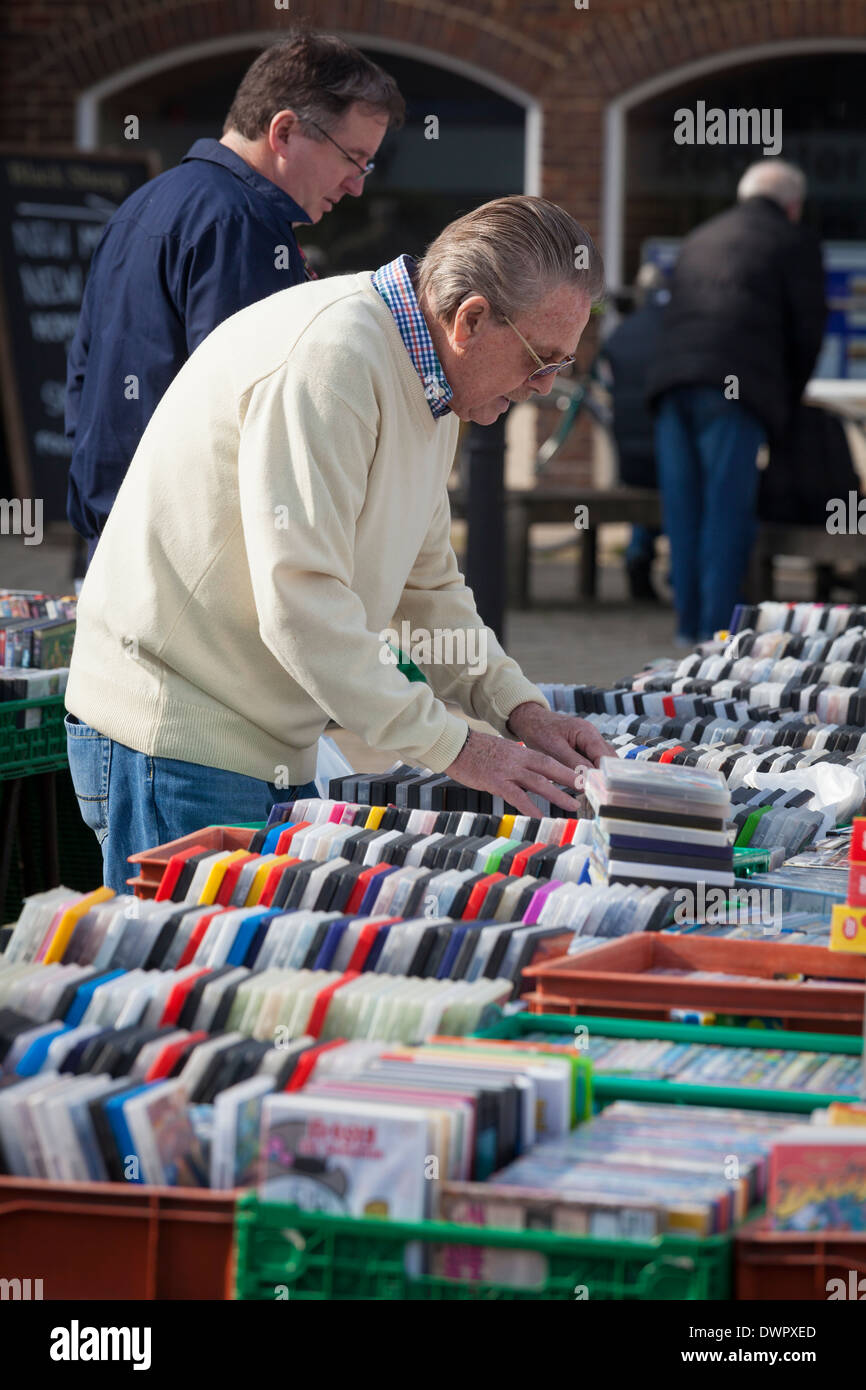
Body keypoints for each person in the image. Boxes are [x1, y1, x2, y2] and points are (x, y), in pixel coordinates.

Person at [64, 195, 614, 891]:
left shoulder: (435, 376)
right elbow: (304, 607)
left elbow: (427, 589)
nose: (542, 388)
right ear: (470, 319)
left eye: (560, 367)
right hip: (178, 739)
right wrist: (463, 749)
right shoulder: (334, 359)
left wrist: (518, 709)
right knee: (188, 991)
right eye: (541, 360)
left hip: (246, 735)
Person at [65, 32, 404, 551]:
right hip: (187, 548)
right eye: (353, 158)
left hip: (116, 533)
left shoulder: (144, 203)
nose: (357, 184)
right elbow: (260, 411)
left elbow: (82, 375)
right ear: (284, 131)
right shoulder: (241, 225)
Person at [646, 159, 826, 643]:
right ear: (793, 205)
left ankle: (687, 632)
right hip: (734, 389)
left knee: (684, 512)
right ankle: (716, 637)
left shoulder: (701, 235)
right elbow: (809, 330)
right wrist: (786, 404)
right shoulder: (795, 240)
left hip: (671, 384)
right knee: (726, 513)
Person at [598, 262, 668, 600]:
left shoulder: (620, 336)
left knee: (644, 490)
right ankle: (678, 572)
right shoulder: (677, 334)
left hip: (630, 460)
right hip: (668, 461)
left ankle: (638, 554)